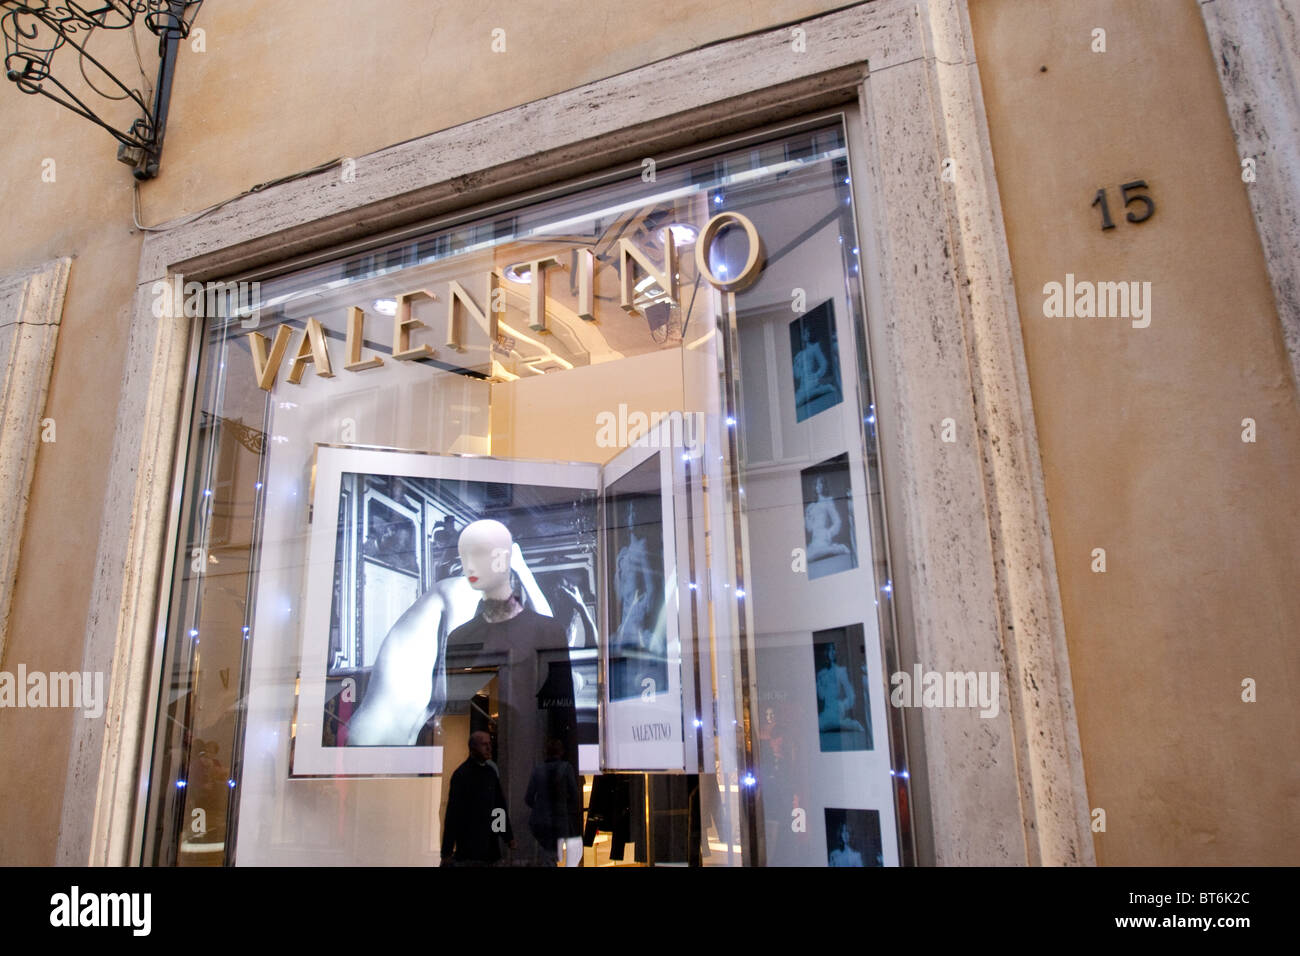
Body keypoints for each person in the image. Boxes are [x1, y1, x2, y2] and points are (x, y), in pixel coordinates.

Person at [441, 731, 514, 866]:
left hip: (486, 845)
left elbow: (499, 806)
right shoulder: (463, 775)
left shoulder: (488, 773)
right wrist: (447, 851)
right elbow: (453, 814)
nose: (488, 748)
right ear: (473, 748)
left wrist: (507, 836)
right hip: (471, 845)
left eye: (489, 744)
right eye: (484, 745)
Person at [524, 738, 585, 867]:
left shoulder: (537, 770)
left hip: (540, 821)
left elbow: (528, 798)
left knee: (548, 854)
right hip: (559, 819)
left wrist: (540, 807)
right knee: (555, 854)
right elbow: (574, 795)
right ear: (561, 752)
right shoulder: (566, 768)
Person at [816, 643, 865, 733]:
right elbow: (821, 696)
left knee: (827, 723)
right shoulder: (822, 673)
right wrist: (818, 683)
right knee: (819, 725)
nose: (831, 652)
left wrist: (843, 706)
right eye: (828, 650)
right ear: (825, 653)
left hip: (837, 709)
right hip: (827, 710)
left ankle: (849, 724)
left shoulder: (840, 671)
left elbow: (851, 695)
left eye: (833, 649)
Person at [805, 475, 851, 561]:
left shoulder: (828, 501)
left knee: (809, 556)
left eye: (820, 483)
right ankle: (833, 548)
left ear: (823, 485)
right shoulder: (812, 506)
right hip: (814, 540)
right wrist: (807, 516)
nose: (817, 486)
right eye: (816, 484)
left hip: (823, 537)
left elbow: (837, 521)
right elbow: (809, 529)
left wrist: (829, 533)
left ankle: (839, 548)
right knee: (805, 557)